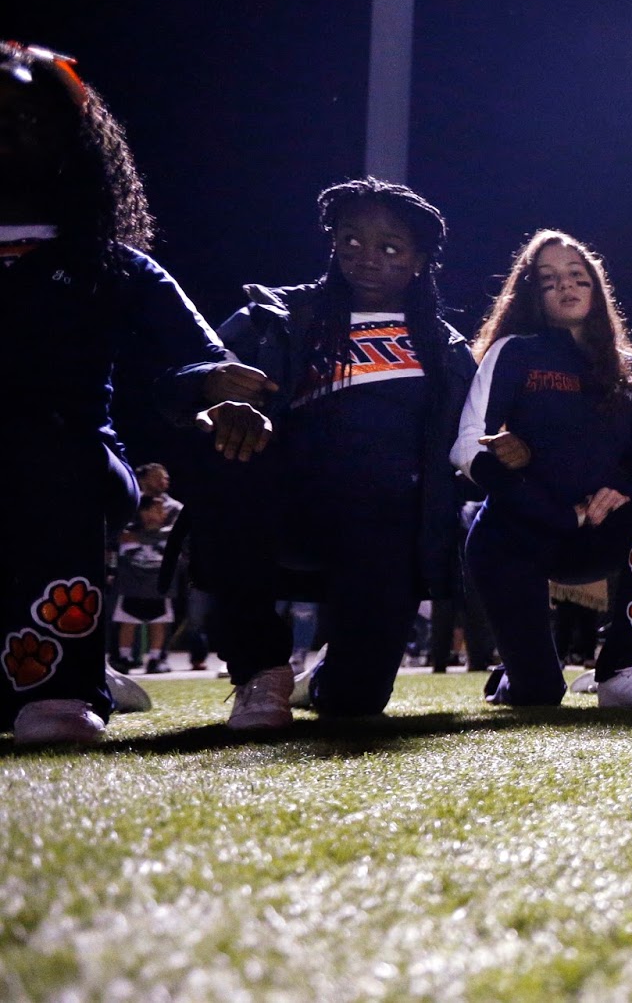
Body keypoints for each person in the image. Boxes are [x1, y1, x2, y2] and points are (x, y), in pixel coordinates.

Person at [0, 42, 267, 744]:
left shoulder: (110, 263)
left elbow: (194, 358)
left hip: (67, 457)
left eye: (26, 116)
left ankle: (60, 684)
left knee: (55, 467)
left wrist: (218, 388)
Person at [190, 177, 477, 728]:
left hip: (384, 525)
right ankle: (262, 670)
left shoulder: (443, 347)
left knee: (355, 704)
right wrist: (221, 404)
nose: (365, 258)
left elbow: (465, 445)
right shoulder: (272, 317)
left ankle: (331, 674)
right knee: (229, 454)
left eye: (389, 248)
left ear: (419, 261)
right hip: (283, 503)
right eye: (349, 240)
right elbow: (199, 374)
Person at [454, 229, 632, 709]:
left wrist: (619, 488)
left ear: (595, 286)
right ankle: (514, 675)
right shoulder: (515, 351)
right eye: (549, 281)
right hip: (516, 537)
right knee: (540, 694)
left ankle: (622, 672)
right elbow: (468, 449)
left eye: (576, 276)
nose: (565, 287)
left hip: (593, 534)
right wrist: (558, 512)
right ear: (534, 294)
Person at [111, 496, 176, 673]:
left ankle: (155, 659)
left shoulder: (169, 534)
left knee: (158, 623)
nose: (161, 513)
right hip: (132, 587)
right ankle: (124, 657)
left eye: (162, 510)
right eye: (156, 509)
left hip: (157, 588)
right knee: (128, 622)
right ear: (143, 513)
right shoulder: (126, 533)